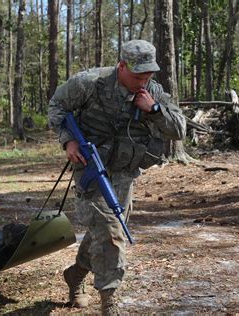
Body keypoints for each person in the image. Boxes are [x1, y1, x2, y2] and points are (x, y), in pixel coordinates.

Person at [48, 39, 186, 314]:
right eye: (137, 76)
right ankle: (110, 303)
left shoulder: (152, 92)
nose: (143, 81)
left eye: (148, 75)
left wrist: (154, 110)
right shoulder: (89, 83)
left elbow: (179, 129)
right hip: (90, 167)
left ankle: (76, 273)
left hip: (124, 171)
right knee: (112, 233)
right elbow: (57, 107)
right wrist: (68, 142)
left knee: (106, 229)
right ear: (121, 66)